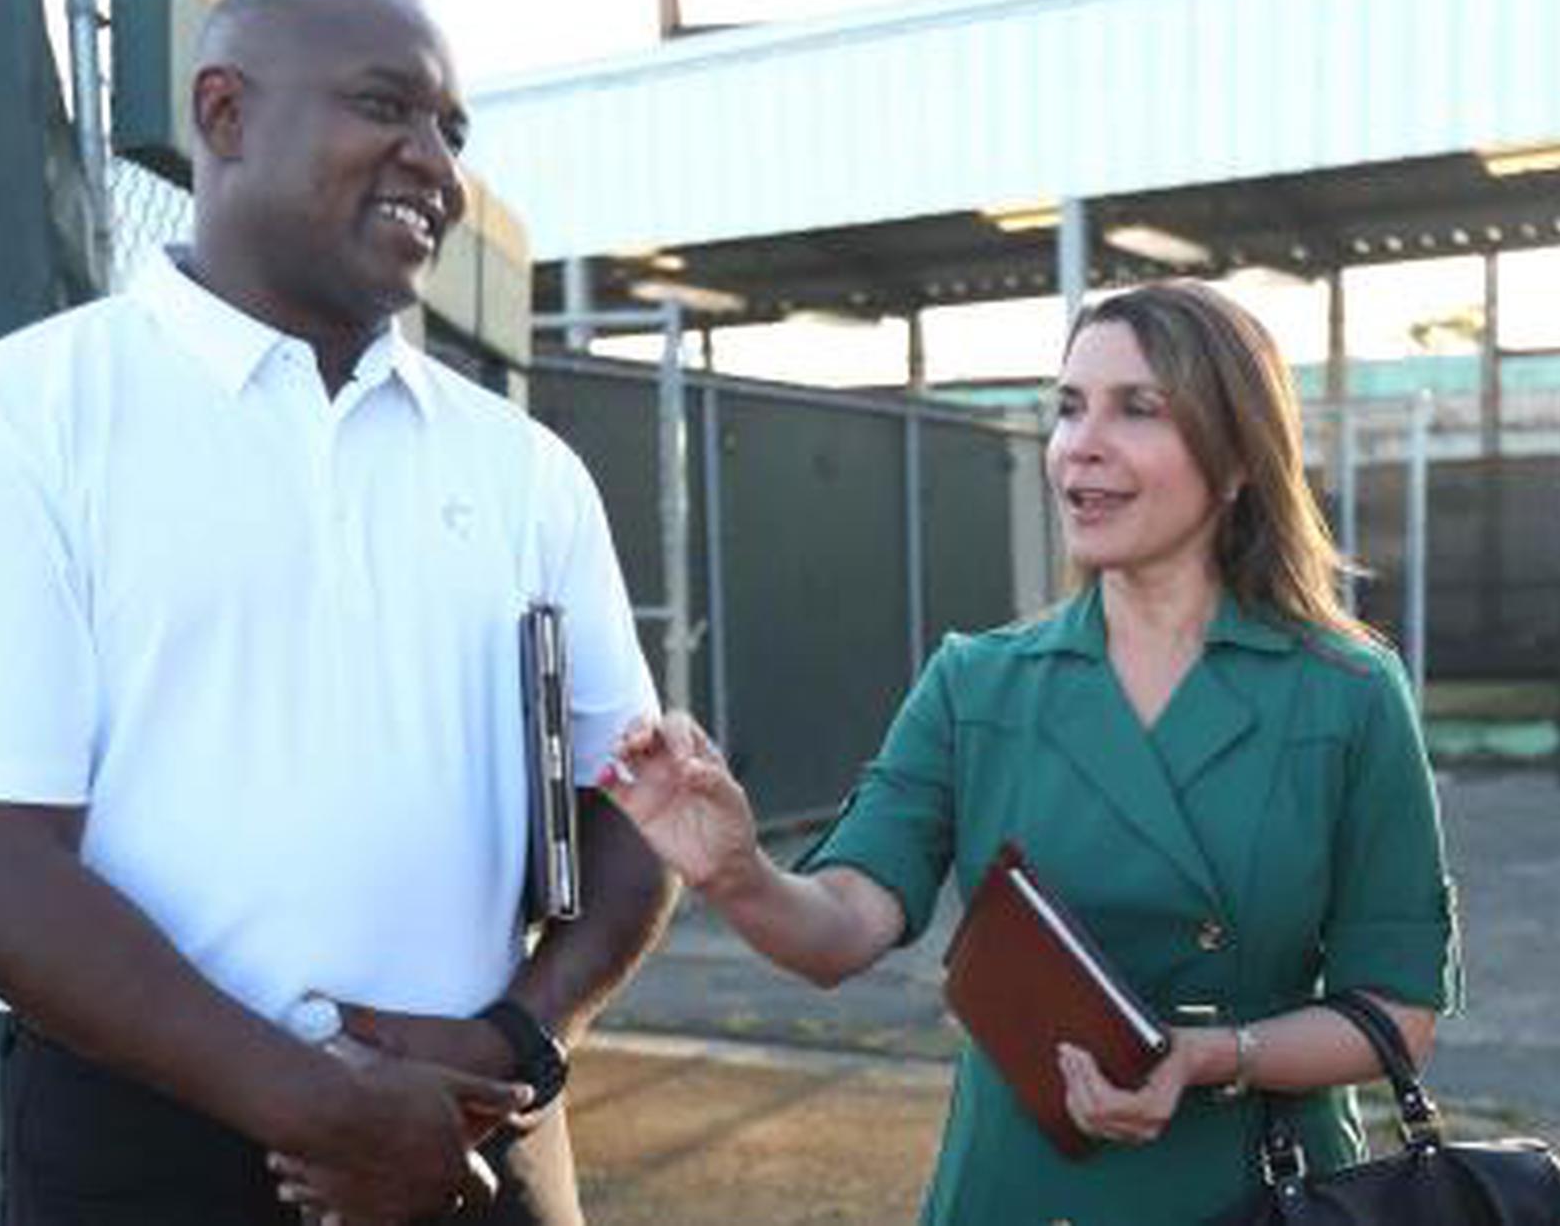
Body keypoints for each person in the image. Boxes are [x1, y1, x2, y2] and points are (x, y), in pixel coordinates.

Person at [0, 0, 674, 1225]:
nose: (435, 164)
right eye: (384, 106)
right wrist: (322, 1108)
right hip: (147, 1154)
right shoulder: (5, 423)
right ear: (224, 113)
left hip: (475, 1130)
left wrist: (520, 1034)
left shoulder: (524, 468)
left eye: (452, 129)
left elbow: (630, 815)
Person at [605, 281, 1458, 1225]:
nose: (1079, 443)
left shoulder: (1346, 693)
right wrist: (737, 873)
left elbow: (1396, 1014)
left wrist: (1210, 1055)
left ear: (1236, 462)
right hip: (1018, 1194)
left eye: (1138, 408)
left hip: (1258, 1196)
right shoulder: (978, 684)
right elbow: (842, 928)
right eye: (1067, 407)